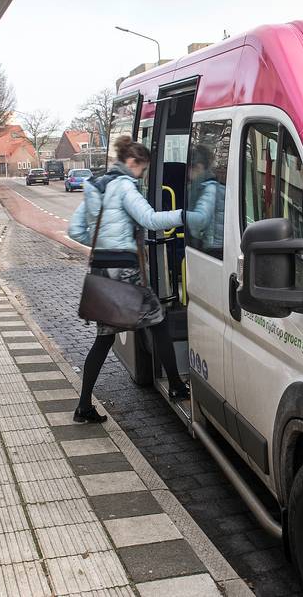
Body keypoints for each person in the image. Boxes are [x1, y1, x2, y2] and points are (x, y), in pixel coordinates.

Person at [68, 136, 190, 423]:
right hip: (124, 271)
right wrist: (186, 215)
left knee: (104, 339)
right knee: (158, 323)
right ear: (132, 162)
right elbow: (149, 219)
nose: (142, 175)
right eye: (143, 170)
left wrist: (102, 244)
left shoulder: (95, 185)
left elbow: (75, 230)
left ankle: (84, 406)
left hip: (101, 270)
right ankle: (174, 385)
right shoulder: (124, 186)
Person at [185, 143, 225, 256]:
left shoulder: (209, 188)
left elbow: (200, 221)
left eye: (190, 169)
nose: (188, 175)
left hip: (214, 247)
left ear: (198, 167)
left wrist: (179, 216)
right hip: (215, 243)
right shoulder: (205, 185)